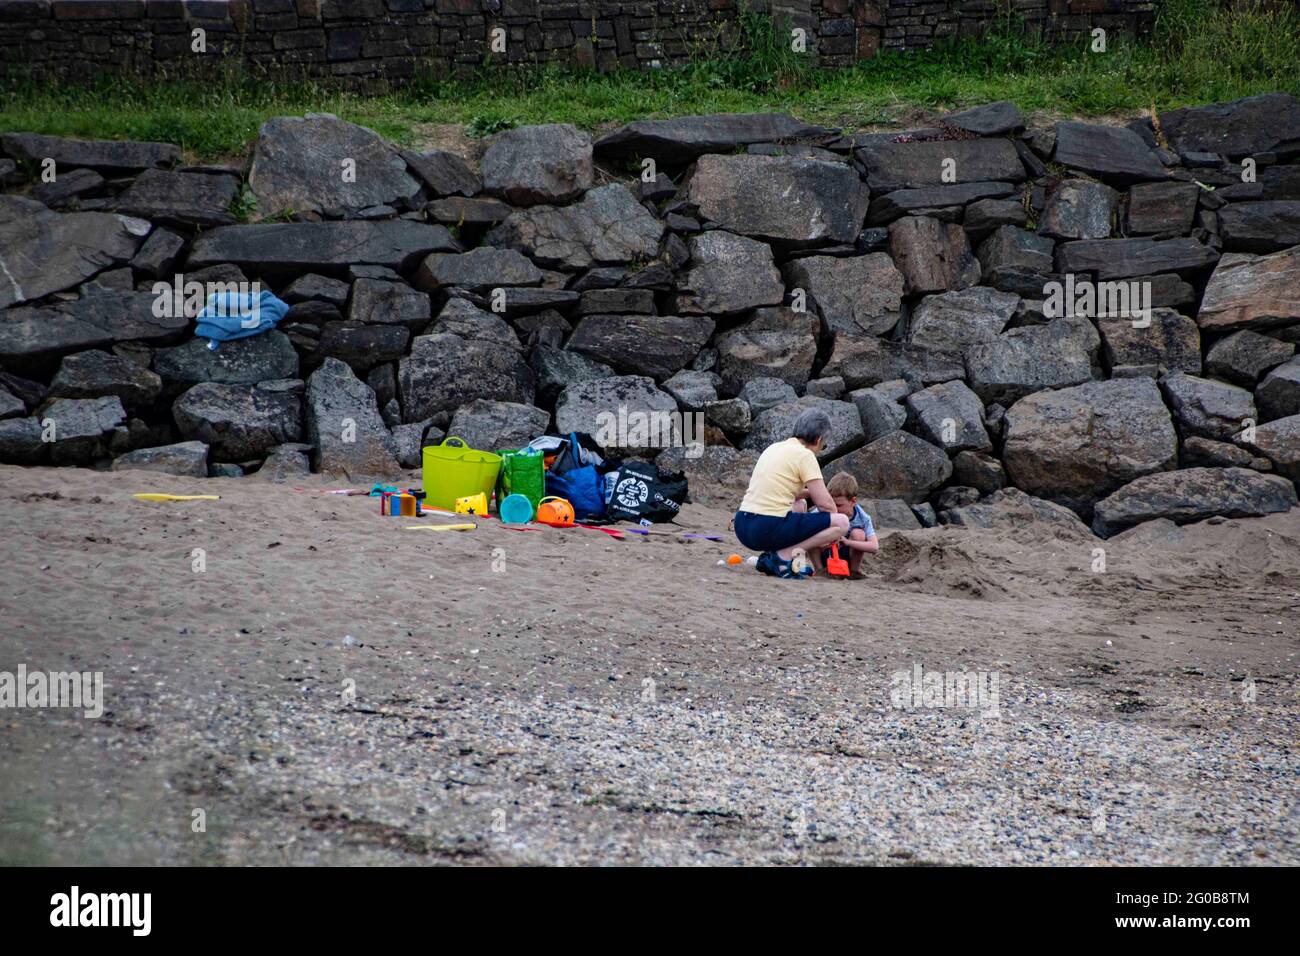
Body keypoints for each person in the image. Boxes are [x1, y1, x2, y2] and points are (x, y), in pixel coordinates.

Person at [733, 408, 850, 579]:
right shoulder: (805, 455)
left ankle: (783, 561)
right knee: (842, 522)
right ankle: (783, 557)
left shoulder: (774, 448)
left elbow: (782, 490)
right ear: (818, 440)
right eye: (823, 445)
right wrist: (831, 534)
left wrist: (808, 494)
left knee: (799, 505)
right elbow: (827, 506)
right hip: (765, 527)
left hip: (742, 525)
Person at [797, 472, 879, 579]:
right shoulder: (823, 510)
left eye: (839, 505)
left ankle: (854, 572)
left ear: (853, 501)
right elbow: (802, 534)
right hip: (826, 554)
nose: (834, 509)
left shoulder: (863, 518)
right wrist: (821, 540)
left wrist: (847, 542)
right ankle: (819, 570)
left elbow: (874, 547)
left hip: (847, 557)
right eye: (831, 503)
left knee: (858, 533)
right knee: (811, 532)